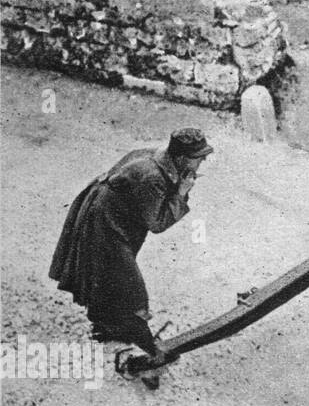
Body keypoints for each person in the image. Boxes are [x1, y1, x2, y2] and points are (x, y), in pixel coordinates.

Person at [50, 128, 213, 363]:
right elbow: (157, 223)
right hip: (106, 224)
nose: (203, 161)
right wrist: (181, 193)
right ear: (181, 158)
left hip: (114, 219)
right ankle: (150, 349)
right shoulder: (153, 177)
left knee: (109, 277)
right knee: (130, 288)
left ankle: (106, 327)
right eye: (199, 157)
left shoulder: (159, 158)